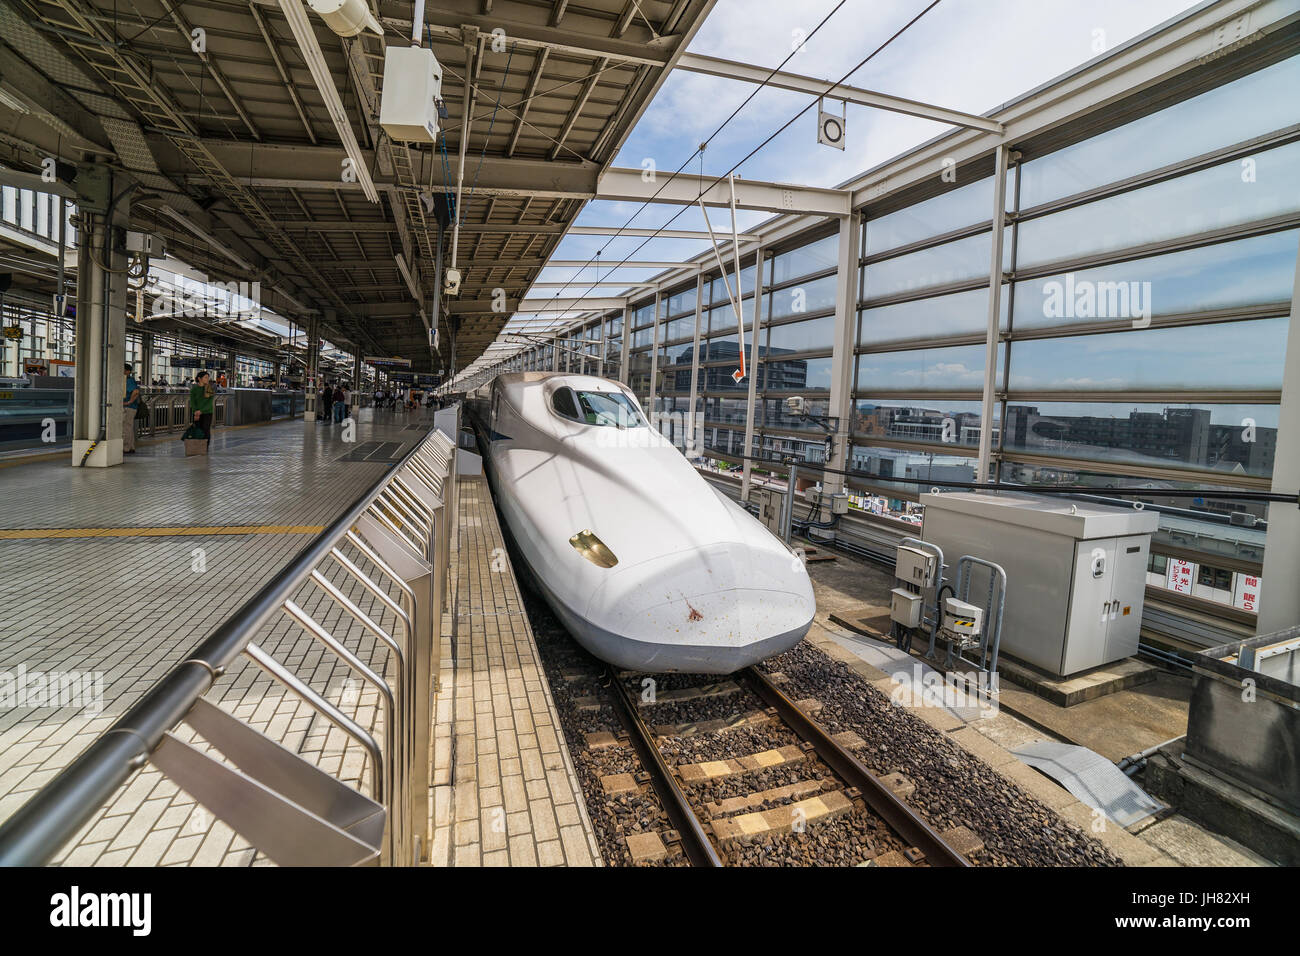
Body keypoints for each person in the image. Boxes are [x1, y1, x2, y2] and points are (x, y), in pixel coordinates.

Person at [189, 370, 215, 451]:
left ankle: (205, 448)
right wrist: (196, 411)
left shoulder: (209, 388)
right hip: (196, 413)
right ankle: (197, 447)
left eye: (208, 377)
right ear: (199, 379)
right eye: (206, 377)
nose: (207, 379)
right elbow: (193, 402)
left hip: (207, 413)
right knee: (197, 429)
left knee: (206, 430)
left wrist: (201, 411)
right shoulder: (194, 389)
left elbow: (209, 403)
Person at [123, 363, 140, 454]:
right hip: (130, 407)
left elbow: (136, 392)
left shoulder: (128, 380)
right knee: (129, 427)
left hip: (128, 407)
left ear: (127, 371)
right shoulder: (128, 380)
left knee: (126, 427)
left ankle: (125, 447)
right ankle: (131, 446)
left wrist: (129, 401)